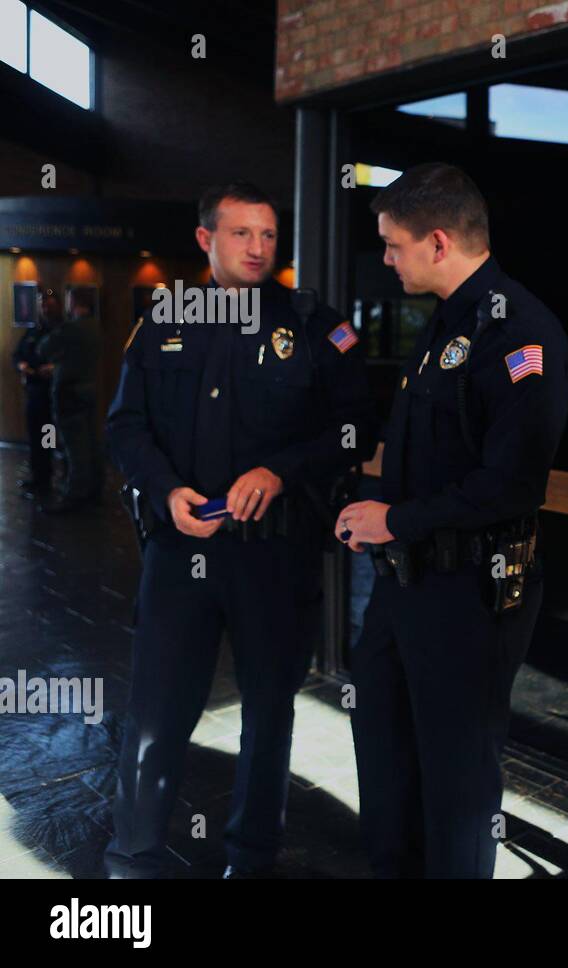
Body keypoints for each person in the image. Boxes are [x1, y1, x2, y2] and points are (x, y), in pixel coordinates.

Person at [103, 181, 378, 878]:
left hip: (274, 555)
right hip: (179, 552)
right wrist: (164, 490)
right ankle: (132, 856)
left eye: (268, 234)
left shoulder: (314, 327)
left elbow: (355, 428)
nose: (258, 248)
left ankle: (251, 859)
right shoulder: (163, 319)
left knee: (268, 713)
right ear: (206, 239)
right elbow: (125, 427)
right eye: (241, 233)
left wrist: (280, 471)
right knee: (156, 709)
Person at [335, 162, 568, 878]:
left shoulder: (520, 332)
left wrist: (395, 521)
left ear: (438, 242)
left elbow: (511, 486)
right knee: (385, 755)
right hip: (403, 586)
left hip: (469, 592)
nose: (386, 259)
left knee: (457, 784)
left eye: (393, 244)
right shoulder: (445, 322)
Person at [39, 287, 104, 512]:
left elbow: (43, 348)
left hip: (68, 393)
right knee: (92, 443)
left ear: (73, 302)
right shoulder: (95, 327)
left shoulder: (71, 328)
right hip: (89, 389)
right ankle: (94, 491)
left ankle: (75, 495)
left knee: (75, 448)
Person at [11, 299, 53, 496]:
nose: (45, 309)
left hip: (49, 394)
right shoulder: (33, 331)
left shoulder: (58, 331)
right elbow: (17, 354)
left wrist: (53, 368)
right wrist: (21, 365)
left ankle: (47, 477)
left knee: (47, 437)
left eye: (48, 306)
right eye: (42, 305)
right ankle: (37, 476)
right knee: (35, 438)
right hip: (33, 392)